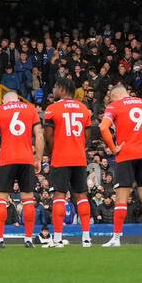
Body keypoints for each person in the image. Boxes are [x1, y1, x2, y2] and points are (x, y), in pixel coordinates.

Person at [98, 83, 142, 247]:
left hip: (125, 155)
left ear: (114, 96)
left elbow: (102, 127)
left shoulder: (114, 106)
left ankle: (116, 238)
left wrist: (113, 148)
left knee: (121, 199)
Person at [0, 90, 43, 250]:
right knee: (28, 199)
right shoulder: (31, 109)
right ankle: (28, 239)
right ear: (18, 99)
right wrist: (38, 158)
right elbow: (39, 136)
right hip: (26, 159)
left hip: (8, 159)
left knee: (1, 199)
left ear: (4, 101)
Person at [42, 76, 95, 248]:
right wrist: (79, 148)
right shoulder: (84, 109)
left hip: (61, 157)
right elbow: (87, 138)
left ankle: (57, 239)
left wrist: (51, 154)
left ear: (63, 89)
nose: (54, 90)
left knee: (59, 196)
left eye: (56, 87)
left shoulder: (52, 109)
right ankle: (86, 238)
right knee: (81, 196)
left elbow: (48, 137)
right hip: (79, 158)